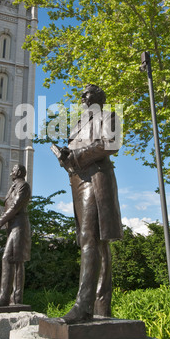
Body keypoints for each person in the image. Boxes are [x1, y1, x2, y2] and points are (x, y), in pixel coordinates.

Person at [53, 84, 123, 324]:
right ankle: (101, 308)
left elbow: (110, 143)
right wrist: (65, 155)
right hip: (77, 180)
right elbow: (76, 149)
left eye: (88, 92)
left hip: (95, 178)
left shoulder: (108, 115)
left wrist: (75, 156)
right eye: (82, 93)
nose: (83, 96)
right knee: (94, 241)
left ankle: (83, 307)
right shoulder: (79, 122)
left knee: (90, 238)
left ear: (99, 97)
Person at [0, 164, 31, 307]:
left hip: (19, 226)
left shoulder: (23, 186)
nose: (11, 173)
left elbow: (15, 206)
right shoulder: (12, 187)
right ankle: (12, 298)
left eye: (13, 170)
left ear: (19, 172)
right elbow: (7, 207)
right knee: (14, 260)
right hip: (12, 226)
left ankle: (8, 298)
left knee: (10, 258)